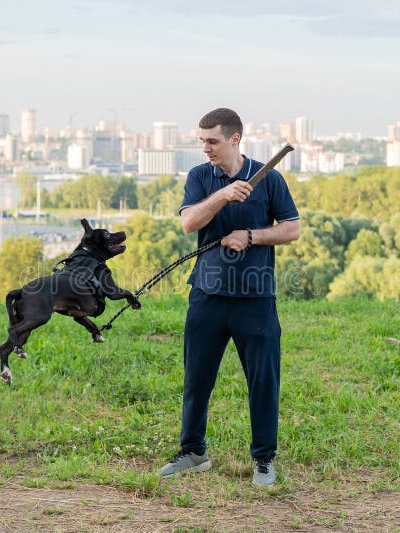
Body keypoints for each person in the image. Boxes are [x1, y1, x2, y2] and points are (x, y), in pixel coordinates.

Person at [159, 108, 301, 485]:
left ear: (235, 139)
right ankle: (193, 452)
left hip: (255, 297)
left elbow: (292, 229)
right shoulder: (200, 177)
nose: (205, 148)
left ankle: (264, 460)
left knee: (263, 380)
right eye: (202, 141)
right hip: (206, 294)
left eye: (212, 141)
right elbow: (189, 221)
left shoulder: (270, 179)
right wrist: (222, 195)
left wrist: (251, 236)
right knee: (197, 378)